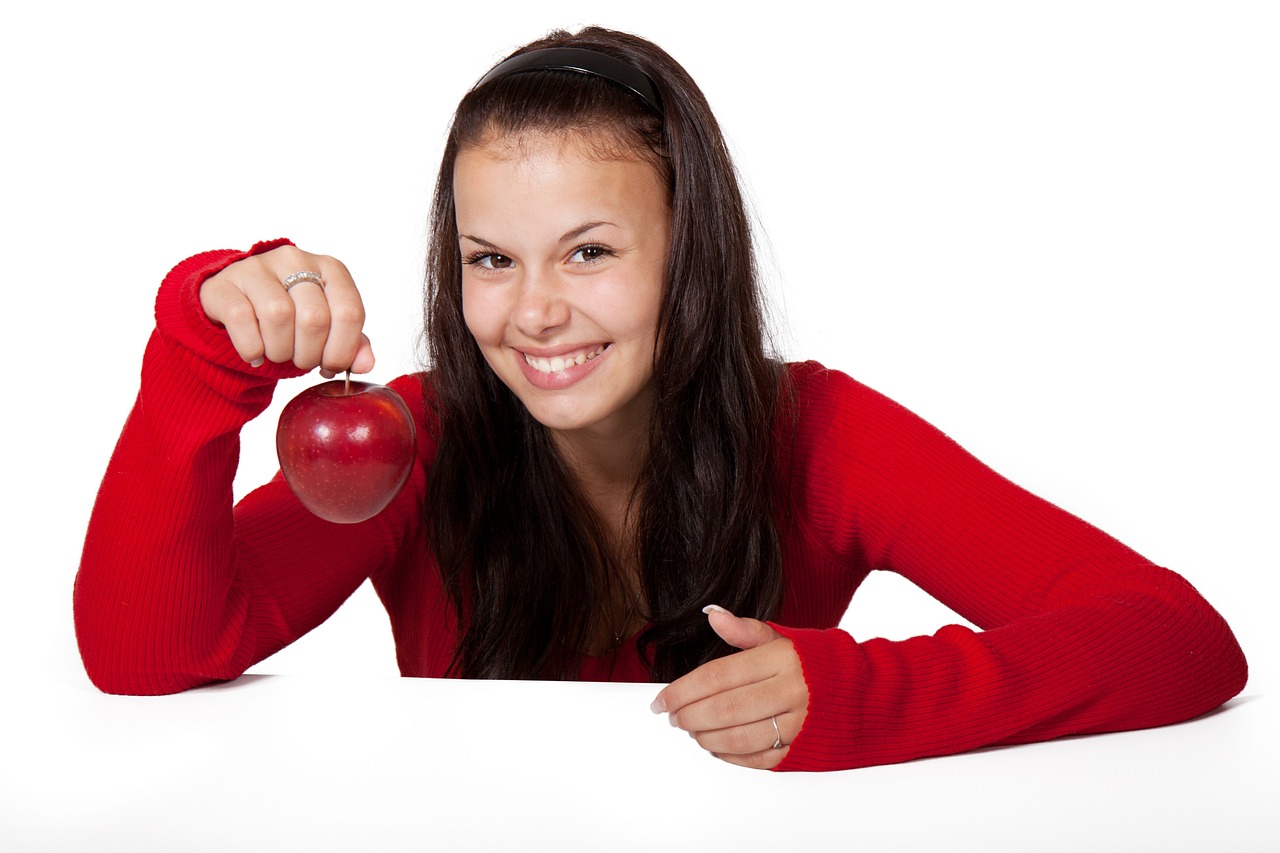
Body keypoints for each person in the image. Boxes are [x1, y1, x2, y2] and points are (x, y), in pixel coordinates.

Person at [73, 26, 1247, 772]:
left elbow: (1176, 639)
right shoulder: (418, 438)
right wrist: (197, 359)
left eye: (587, 253)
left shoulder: (821, 434)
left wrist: (866, 693)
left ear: (691, 251)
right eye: (490, 259)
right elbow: (146, 652)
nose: (531, 313)